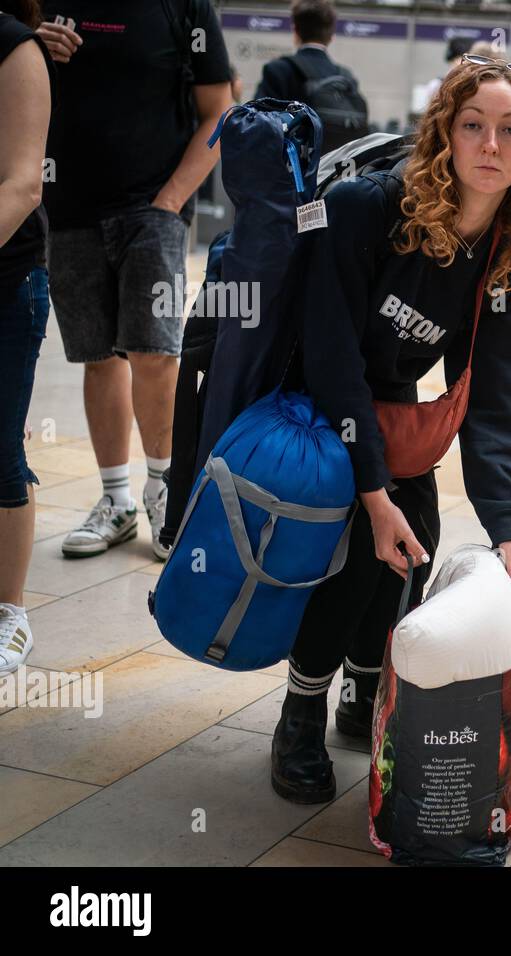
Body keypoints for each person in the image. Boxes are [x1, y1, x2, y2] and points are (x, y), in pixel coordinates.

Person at [270, 56, 511, 804]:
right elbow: (330, 357)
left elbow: (500, 394)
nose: (490, 144)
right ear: (446, 136)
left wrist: (507, 523)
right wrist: (370, 489)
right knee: (364, 543)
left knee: (415, 534)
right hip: (307, 395)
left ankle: (365, 693)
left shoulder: (507, 251)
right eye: (473, 126)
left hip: (383, 395)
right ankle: (300, 711)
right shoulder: (370, 209)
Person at [37, 2, 232, 562]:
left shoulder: (182, 7)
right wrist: (32, 41)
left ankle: (164, 489)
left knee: (154, 352)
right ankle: (117, 500)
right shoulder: (46, 7)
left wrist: (171, 201)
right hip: (69, 209)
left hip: (153, 210)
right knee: (98, 358)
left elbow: (218, 110)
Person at [0, 0, 54, 676]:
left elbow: (22, 185)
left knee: (1, 445)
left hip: (7, 278)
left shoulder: (15, 50)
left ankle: (9, 610)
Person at [254, 0, 367, 153]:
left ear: (295, 31)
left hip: (292, 172)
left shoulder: (278, 70)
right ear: (331, 36)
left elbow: (258, 126)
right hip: (337, 172)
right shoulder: (346, 78)